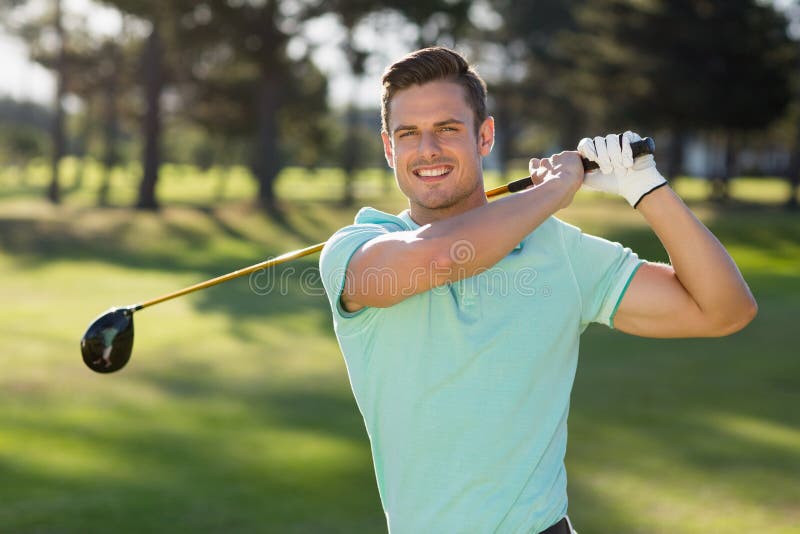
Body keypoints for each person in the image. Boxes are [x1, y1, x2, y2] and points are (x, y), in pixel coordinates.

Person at [319, 47, 756, 534]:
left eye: (447, 129)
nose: (428, 150)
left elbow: (724, 311)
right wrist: (552, 192)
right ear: (388, 148)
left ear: (484, 135)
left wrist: (647, 188)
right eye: (409, 134)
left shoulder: (559, 250)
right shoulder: (355, 249)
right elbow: (443, 257)